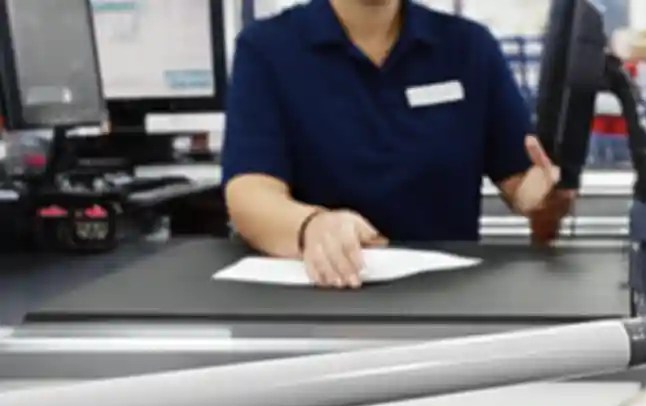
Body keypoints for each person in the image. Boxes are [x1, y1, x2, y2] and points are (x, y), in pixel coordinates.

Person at [222, 0, 572, 289]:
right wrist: (311, 225)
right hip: (321, 299)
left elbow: (520, 183)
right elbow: (249, 193)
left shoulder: (467, 48)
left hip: (450, 303)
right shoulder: (268, 49)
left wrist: (544, 196)